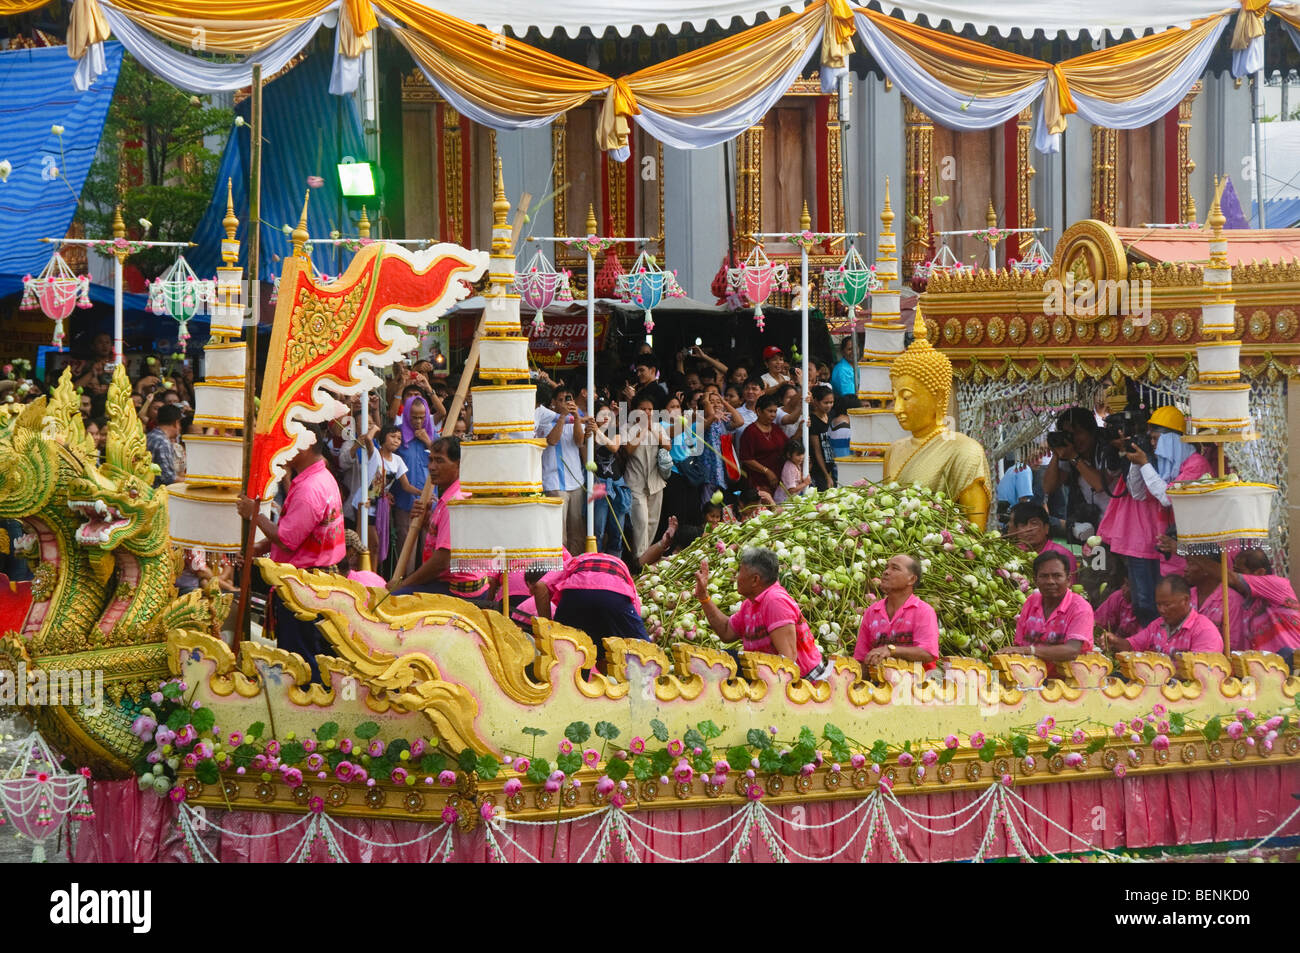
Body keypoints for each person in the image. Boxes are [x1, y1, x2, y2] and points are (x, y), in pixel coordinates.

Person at [236, 422, 345, 684]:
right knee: (307, 653)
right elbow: (299, 532)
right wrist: (260, 549)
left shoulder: (310, 488)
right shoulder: (317, 478)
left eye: (289, 440)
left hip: (304, 586)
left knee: (302, 659)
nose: (282, 447)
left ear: (307, 443)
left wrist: (255, 516)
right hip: (315, 579)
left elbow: (287, 539)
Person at [883, 309, 990, 528]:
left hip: (942, 554)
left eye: (906, 397)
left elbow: (975, 533)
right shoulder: (894, 450)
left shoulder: (964, 450)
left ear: (939, 396)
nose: (897, 409)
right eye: (894, 398)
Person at [694, 548, 828, 680]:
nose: (736, 577)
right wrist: (703, 597)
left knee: (726, 668)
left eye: (740, 572)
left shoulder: (775, 601)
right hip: (772, 673)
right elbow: (726, 631)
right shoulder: (750, 604)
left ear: (755, 580)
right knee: (722, 662)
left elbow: (788, 663)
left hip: (805, 682)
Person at [393, 437, 490, 601]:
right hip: (453, 582)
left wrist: (403, 585)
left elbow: (442, 562)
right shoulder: (454, 493)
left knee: (393, 599)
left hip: (457, 588)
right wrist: (426, 522)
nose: (432, 467)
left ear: (459, 464)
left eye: (439, 461)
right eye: (430, 460)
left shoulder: (456, 500)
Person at [529, 551, 649, 668]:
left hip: (575, 595)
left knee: (567, 657)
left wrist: (549, 631)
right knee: (646, 653)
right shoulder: (622, 568)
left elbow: (540, 586)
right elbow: (635, 609)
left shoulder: (573, 562)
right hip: (614, 595)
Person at [997, 550, 1094, 664]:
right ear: (1035, 580)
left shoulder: (1080, 608)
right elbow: (1019, 644)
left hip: (1069, 679)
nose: (1050, 581)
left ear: (1068, 580)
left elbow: (1072, 650)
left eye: (1057, 576)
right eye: (1044, 576)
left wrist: (1030, 650)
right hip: (1031, 676)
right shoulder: (1031, 602)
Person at [1042, 406, 1117, 543]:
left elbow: (1100, 484)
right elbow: (1049, 487)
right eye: (1068, 434)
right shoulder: (1072, 455)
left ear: (1092, 432)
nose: (1074, 439)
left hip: (1119, 523)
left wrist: (1074, 457)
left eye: (1078, 432)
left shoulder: (1106, 450)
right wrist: (1057, 454)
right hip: (1096, 527)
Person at [854, 554, 940, 671]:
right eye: (886, 567)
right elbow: (861, 658)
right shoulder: (872, 612)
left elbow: (928, 653)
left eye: (895, 568)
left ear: (911, 579)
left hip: (918, 684)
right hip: (878, 684)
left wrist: (891, 650)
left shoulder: (923, 611)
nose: (886, 572)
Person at [1103, 575, 1222, 656]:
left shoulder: (1204, 631)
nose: (1161, 610)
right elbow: (1132, 646)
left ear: (1185, 600)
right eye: (1158, 604)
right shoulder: (1157, 625)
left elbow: (1201, 671)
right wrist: (1114, 641)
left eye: (1167, 604)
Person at [535, 385, 587, 555]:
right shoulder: (544, 420)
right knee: (558, 534)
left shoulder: (576, 420)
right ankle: (559, 571)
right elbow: (552, 441)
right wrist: (563, 416)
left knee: (577, 532)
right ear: (553, 403)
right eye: (561, 400)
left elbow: (579, 441)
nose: (566, 402)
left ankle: (575, 568)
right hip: (554, 483)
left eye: (569, 398)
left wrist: (576, 418)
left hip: (576, 483)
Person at [1228, 549, 1300, 658]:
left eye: (1239, 572)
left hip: (1292, 659)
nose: (1237, 576)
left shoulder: (1277, 584)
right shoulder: (1249, 596)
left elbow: (1232, 578)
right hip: (1267, 664)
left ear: (1260, 572)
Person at [393, 394, 435, 573]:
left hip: (430, 502)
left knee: (428, 547)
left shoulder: (433, 436)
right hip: (405, 502)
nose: (418, 422)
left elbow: (444, 460)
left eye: (422, 417)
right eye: (414, 417)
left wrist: (428, 441)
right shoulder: (398, 436)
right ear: (407, 415)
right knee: (406, 550)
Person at [1184, 551, 1247, 651]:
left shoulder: (1231, 601)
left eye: (1191, 564)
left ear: (1208, 568)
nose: (1185, 569)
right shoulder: (1186, 596)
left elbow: (1234, 646)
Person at [1005, 502, 1077, 583]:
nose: (1029, 529)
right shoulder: (1013, 552)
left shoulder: (1062, 555)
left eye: (1034, 523)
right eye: (1023, 525)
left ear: (1046, 528)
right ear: (1016, 531)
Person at [739, 394, 788, 495]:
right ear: (759, 411)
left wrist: (801, 430)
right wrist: (767, 471)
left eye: (775, 412)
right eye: (770, 411)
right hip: (758, 481)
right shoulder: (750, 431)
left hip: (778, 479)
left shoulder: (776, 428)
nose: (773, 415)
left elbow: (789, 445)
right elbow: (746, 459)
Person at [147, 403, 186, 487]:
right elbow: (168, 478)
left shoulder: (150, 435)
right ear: (176, 423)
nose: (180, 428)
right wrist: (194, 482)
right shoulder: (163, 442)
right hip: (155, 493)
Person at [1094, 577, 1141, 644]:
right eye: (1124, 583)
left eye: (1128, 585)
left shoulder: (1149, 609)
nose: (1123, 587)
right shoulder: (1118, 597)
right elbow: (1097, 621)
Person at [808, 384, 836, 491]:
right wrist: (826, 475)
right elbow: (817, 451)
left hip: (832, 466)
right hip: (819, 469)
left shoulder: (832, 415)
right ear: (815, 401)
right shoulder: (813, 420)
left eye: (831, 402)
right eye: (826, 403)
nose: (829, 405)